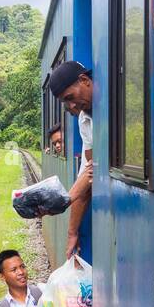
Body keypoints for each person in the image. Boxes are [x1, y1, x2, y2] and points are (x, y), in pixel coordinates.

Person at [46, 60, 97, 262]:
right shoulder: (84, 120)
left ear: (84, 80)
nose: (72, 107)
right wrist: (72, 232)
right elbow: (90, 170)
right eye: (65, 103)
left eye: (70, 98)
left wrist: (65, 200)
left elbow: (94, 168)